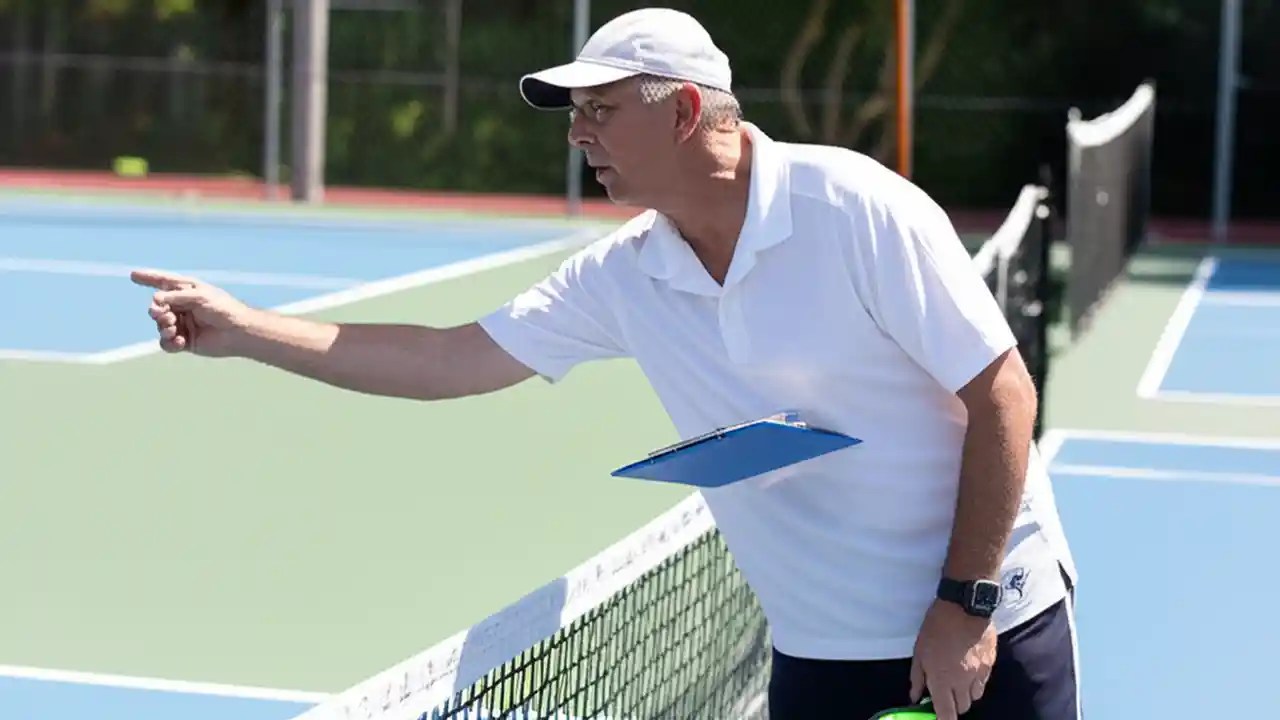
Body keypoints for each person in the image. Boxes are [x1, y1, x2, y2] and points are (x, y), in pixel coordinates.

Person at [131, 8, 1080, 720]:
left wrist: (965, 604)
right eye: (575, 114)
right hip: (821, 654)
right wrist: (248, 330)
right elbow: (446, 358)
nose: (578, 134)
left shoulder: (855, 207)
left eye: (601, 111)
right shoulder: (625, 275)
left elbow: (1001, 392)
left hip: (988, 627)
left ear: (687, 114)